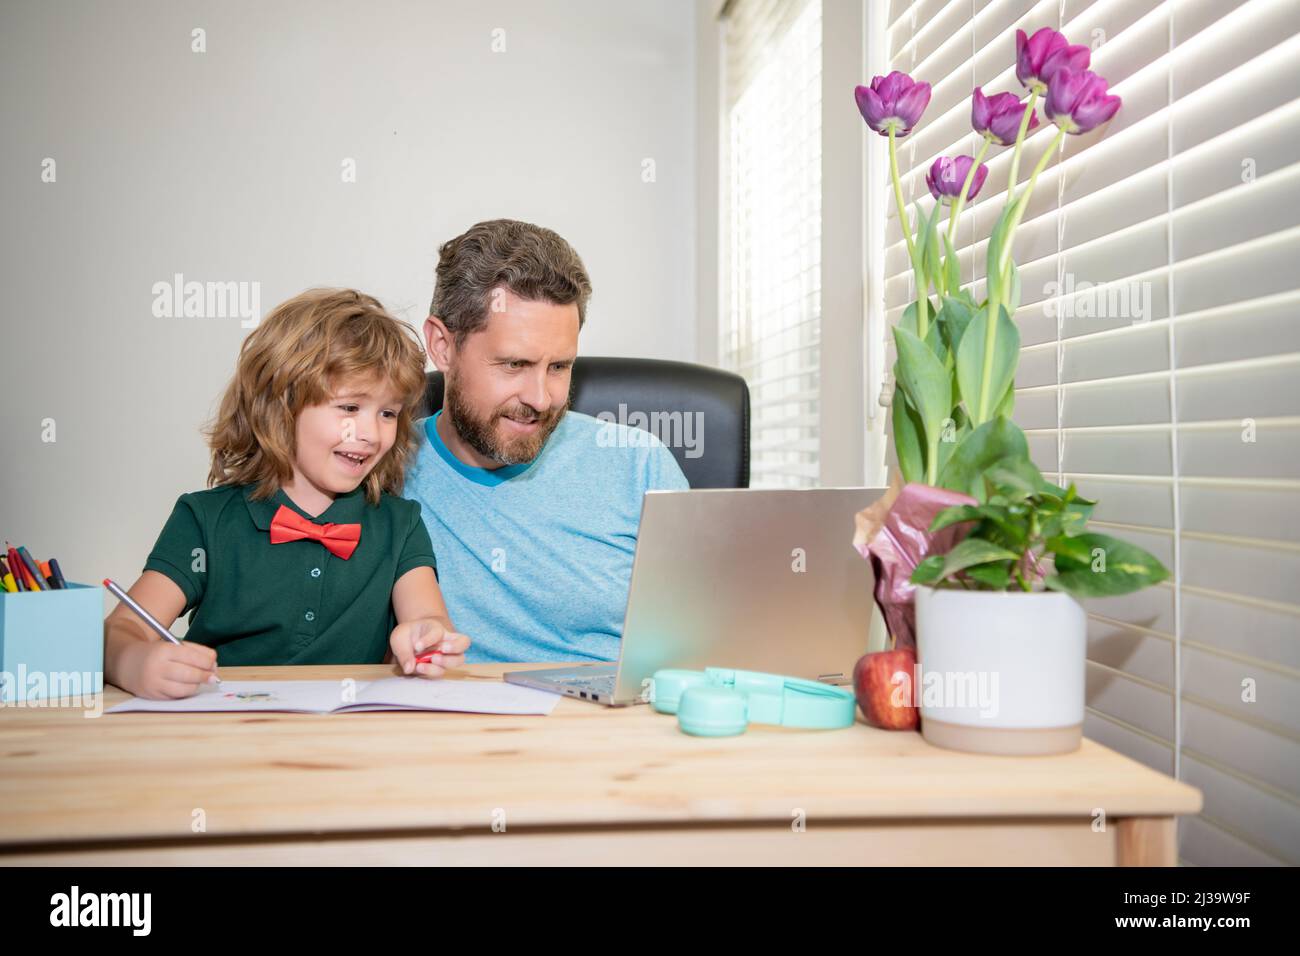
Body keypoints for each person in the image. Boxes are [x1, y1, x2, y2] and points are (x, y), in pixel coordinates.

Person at [104, 288, 470, 699]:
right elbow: (123, 629)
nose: (370, 433)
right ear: (280, 407)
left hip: (349, 740)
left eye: (388, 413)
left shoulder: (400, 525)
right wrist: (135, 663)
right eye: (349, 408)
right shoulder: (204, 520)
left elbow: (428, 617)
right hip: (226, 735)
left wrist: (429, 640)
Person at [403, 219, 688, 663]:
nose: (540, 399)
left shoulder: (639, 464)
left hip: (610, 725)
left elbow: (701, 644)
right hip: (454, 726)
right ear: (443, 346)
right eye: (514, 364)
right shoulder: (382, 466)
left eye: (559, 367)